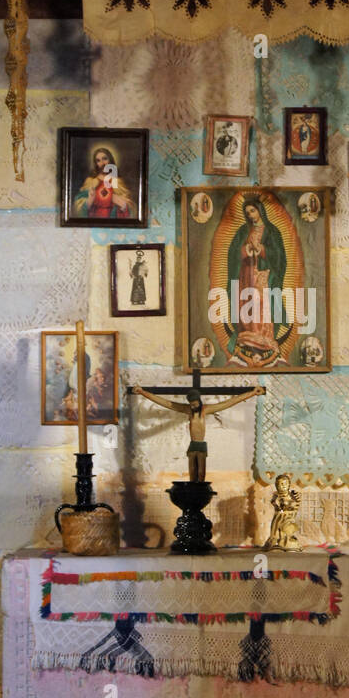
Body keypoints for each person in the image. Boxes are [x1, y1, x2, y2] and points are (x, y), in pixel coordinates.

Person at [132, 385, 262, 482]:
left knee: (201, 474)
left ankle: (199, 491)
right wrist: (142, 392)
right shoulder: (188, 410)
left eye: (195, 404)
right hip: (192, 445)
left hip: (201, 445)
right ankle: (193, 491)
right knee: (192, 473)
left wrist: (252, 393)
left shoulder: (206, 410)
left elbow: (229, 402)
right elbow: (166, 403)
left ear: (199, 401)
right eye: (191, 405)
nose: (193, 407)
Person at [225, 195, 287, 363]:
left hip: (263, 275)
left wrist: (262, 250)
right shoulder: (243, 231)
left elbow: (280, 257)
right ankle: (246, 338)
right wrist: (244, 250)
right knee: (247, 305)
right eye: (247, 212)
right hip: (245, 274)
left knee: (262, 305)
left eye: (253, 210)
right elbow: (232, 254)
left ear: (260, 210)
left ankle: (264, 339)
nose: (251, 215)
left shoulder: (272, 231)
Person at [73, 146, 135, 220]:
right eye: (98, 160)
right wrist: (90, 200)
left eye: (105, 159)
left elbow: (130, 205)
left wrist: (123, 205)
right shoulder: (91, 181)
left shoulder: (117, 181)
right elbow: (78, 205)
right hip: (94, 221)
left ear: (110, 160)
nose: (102, 163)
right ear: (96, 164)